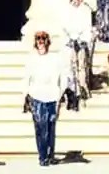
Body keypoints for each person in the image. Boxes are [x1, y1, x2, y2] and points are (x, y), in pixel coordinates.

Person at [23, 31, 69, 167]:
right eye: (38, 38)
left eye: (43, 38)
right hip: (36, 96)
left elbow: (63, 76)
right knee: (40, 127)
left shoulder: (55, 58)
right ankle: (42, 156)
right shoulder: (31, 59)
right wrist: (25, 95)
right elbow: (26, 77)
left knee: (50, 126)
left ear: (48, 41)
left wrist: (61, 94)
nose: (40, 41)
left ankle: (50, 154)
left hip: (52, 96)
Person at [61, 0, 95, 101]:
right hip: (69, 41)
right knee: (70, 66)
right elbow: (63, 26)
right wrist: (70, 38)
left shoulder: (86, 10)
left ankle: (83, 87)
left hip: (81, 41)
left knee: (82, 66)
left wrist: (81, 39)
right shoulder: (66, 9)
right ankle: (71, 90)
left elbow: (87, 26)